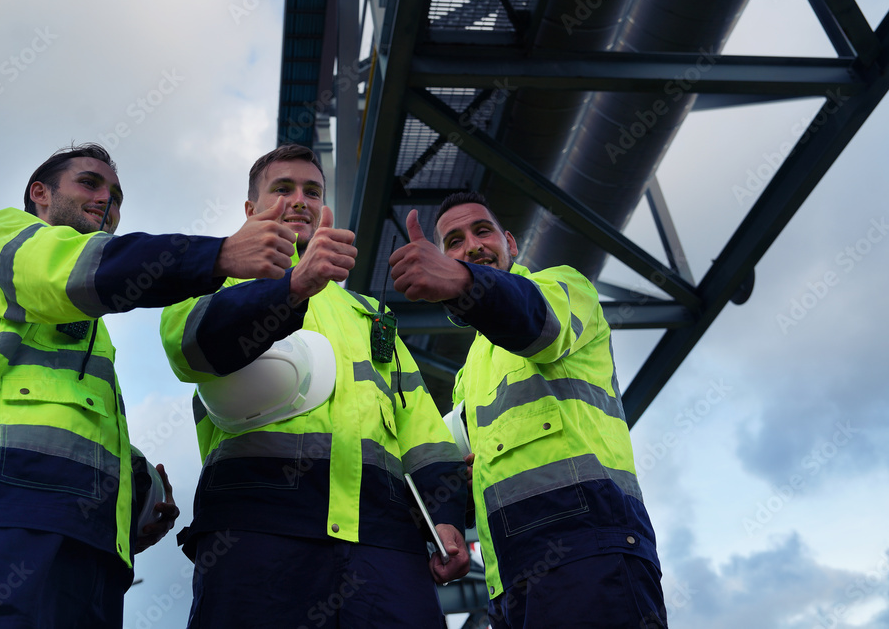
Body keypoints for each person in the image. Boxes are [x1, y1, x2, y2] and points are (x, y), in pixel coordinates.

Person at [0, 143, 298, 628]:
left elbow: (58, 418)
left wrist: (133, 490)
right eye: (90, 183)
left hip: (85, 546)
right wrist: (220, 253)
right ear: (39, 194)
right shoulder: (0, 236)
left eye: (117, 195)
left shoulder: (89, 333)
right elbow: (80, 269)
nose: (107, 200)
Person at [159, 144, 471, 628]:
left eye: (312, 191)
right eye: (282, 189)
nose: (300, 200)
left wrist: (446, 515)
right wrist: (290, 289)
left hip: (385, 544)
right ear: (250, 210)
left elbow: (423, 434)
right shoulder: (218, 282)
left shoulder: (372, 316)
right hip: (259, 533)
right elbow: (188, 349)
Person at [389, 191, 668, 628]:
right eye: (455, 241)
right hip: (509, 574)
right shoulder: (471, 370)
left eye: (483, 231)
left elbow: (538, 322)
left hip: (590, 546)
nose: (473, 246)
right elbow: (452, 455)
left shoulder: (564, 286)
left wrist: (462, 280)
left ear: (511, 243)